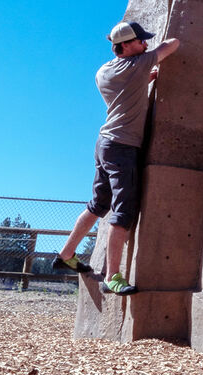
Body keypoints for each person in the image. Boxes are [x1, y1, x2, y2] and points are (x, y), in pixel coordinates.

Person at [53, 21, 180, 295]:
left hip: (104, 143)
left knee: (98, 203)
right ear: (124, 46)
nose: (145, 44)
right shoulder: (138, 65)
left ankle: (66, 254)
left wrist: (142, 77)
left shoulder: (104, 72)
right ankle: (113, 276)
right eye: (140, 41)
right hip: (122, 146)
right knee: (123, 211)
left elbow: (125, 90)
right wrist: (147, 61)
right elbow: (173, 45)